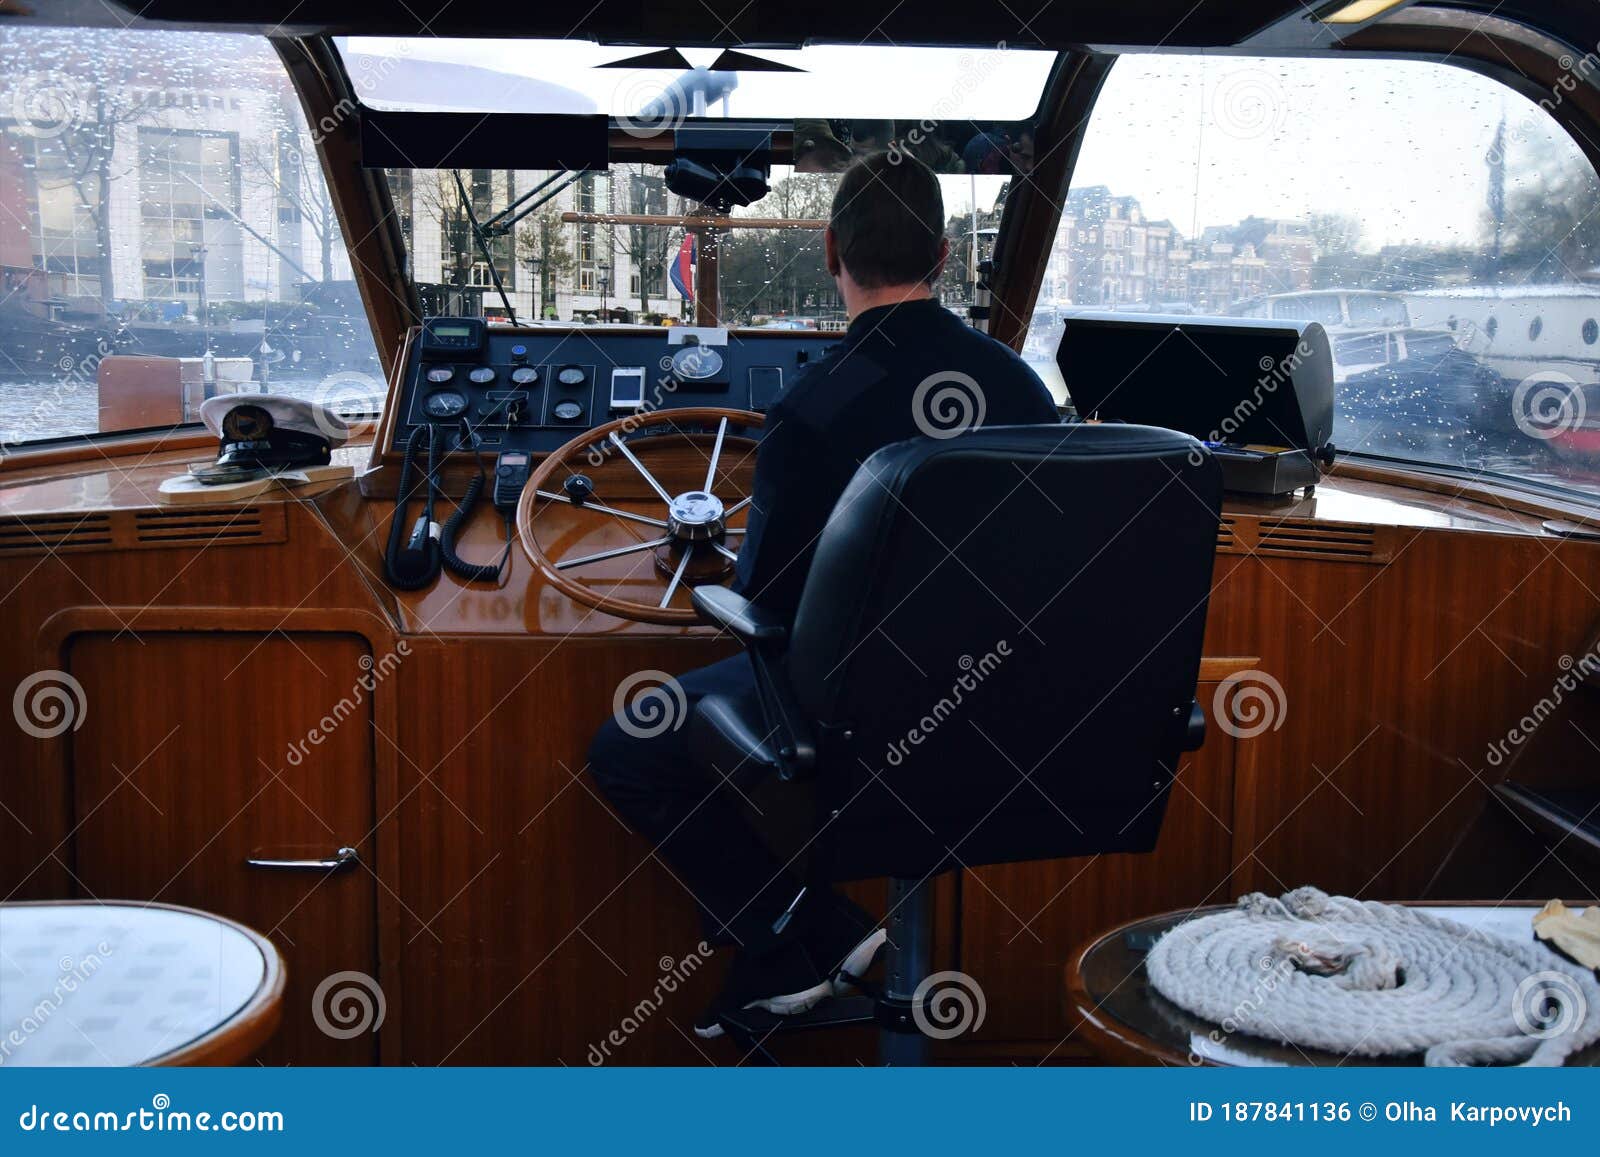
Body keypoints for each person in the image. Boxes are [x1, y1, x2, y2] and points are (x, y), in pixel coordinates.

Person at [588, 152, 1060, 1039]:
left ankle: (800, 927)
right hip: (1011, 709)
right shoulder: (1021, 388)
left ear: (831, 250)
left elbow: (764, 602)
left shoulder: (815, 404)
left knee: (629, 744)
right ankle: (818, 938)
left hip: (855, 717)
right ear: (946, 256)